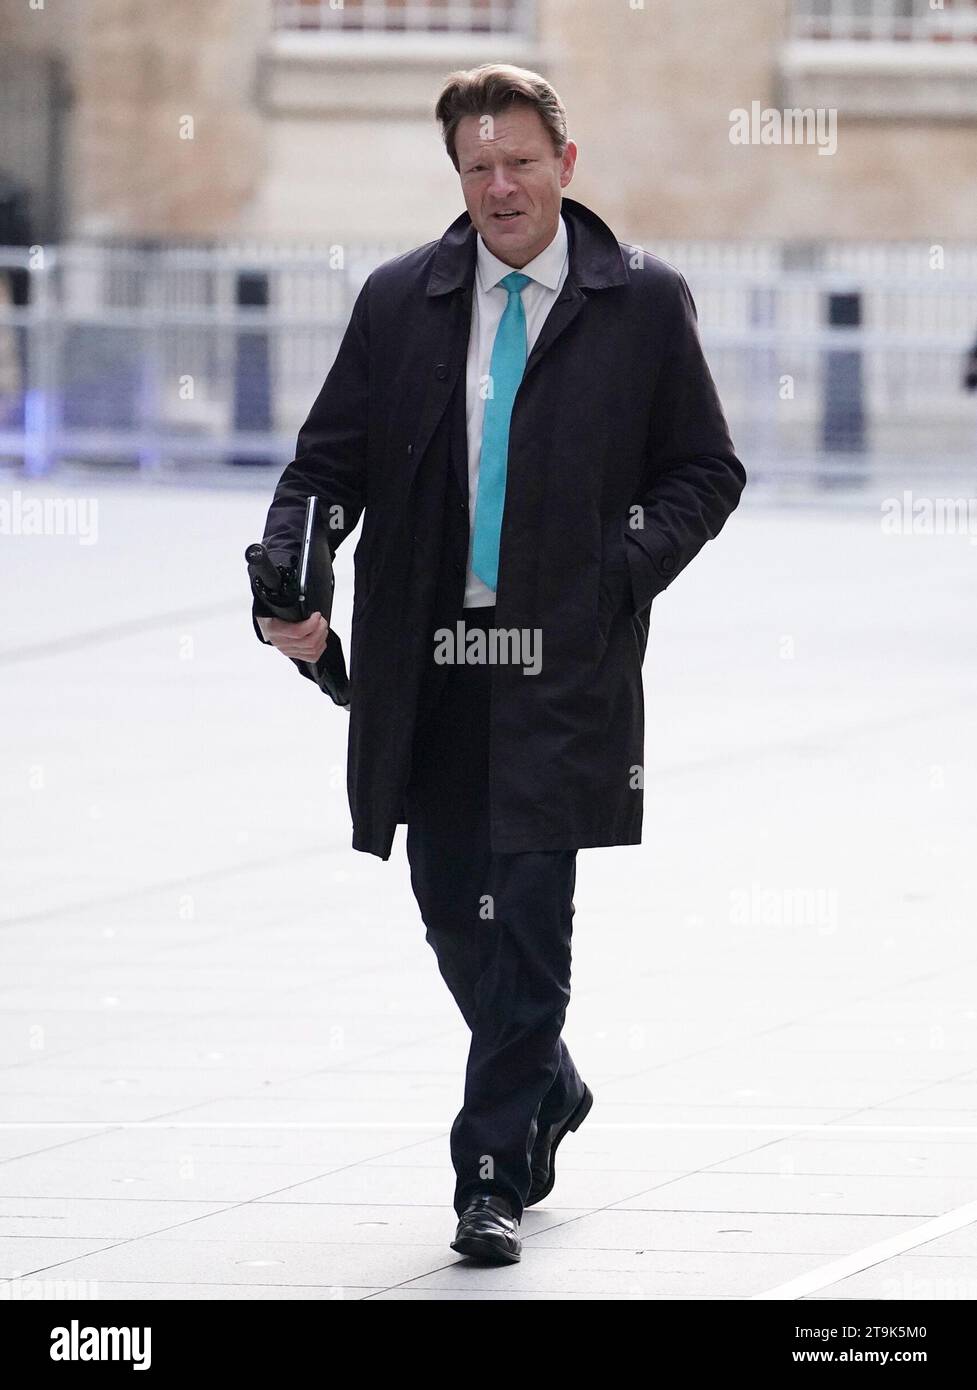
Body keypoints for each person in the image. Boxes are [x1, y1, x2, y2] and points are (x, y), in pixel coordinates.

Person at [252, 64, 746, 1265]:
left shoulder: (638, 303)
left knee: (526, 915)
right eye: (477, 166)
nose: (500, 184)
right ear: (457, 178)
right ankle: (548, 1084)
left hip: (557, 664)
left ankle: (490, 1171)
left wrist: (613, 569)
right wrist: (291, 589)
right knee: (451, 906)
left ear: (564, 165)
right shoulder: (399, 303)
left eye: (520, 160)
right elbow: (326, 471)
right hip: (432, 659)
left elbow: (702, 471)